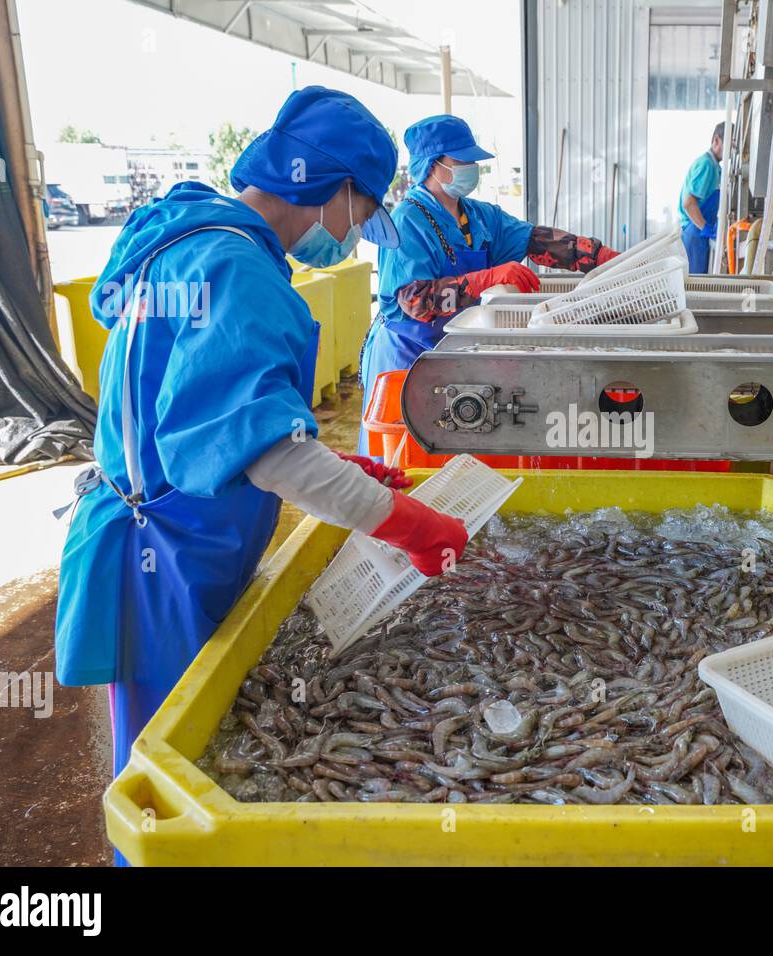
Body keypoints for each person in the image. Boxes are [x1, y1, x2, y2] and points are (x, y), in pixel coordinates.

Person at [54, 87, 469, 797]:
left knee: (178, 750)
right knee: (172, 781)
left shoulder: (193, 238)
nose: (355, 232)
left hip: (162, 523)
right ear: (337, 192)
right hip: (166, 556)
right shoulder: (238, 269)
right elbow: (265, 453)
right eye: (363, 213)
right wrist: (413, 526)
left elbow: (203, 418)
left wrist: (332, 460)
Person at [358, 114, 620, 451]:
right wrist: (489, 278)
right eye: (461, 159)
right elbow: (416, 300)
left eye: (472, 159)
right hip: (406, 356)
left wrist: (604, 258)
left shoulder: (479, 216)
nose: (471, 167)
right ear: (433, 164)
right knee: (404, 452)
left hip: (451, 352)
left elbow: (538, 241)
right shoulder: (408, 220)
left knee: (449, 441)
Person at [678, 122, 724, 273]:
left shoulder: (716, 168)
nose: (732, 151)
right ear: (716, 140)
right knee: (695, 286)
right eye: (730, 144)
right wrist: (705, 228)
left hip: (699, 234)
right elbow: (689, 203)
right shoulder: (706, 165)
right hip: (694, 233)